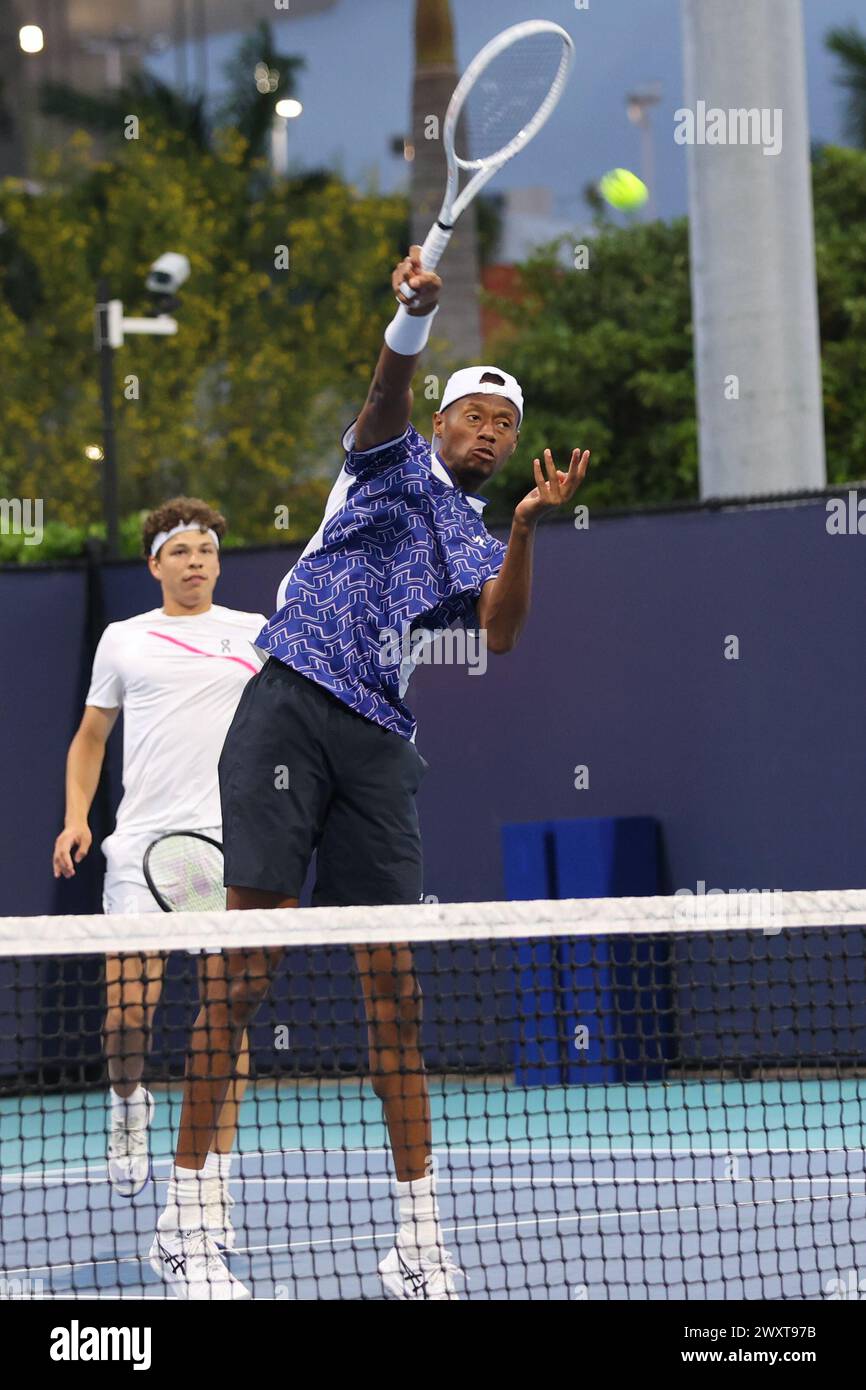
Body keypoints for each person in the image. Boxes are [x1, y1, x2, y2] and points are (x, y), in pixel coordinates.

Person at [153, 246, 590, 1300]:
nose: (491, 433)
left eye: (506, 425)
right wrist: (409, 323)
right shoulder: (383, 457)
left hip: (376, 740)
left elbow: (499, 635)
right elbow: (385, 386)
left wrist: (527, 530)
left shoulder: (474, 534)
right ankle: (189, 1216)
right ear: (441, 421)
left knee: (394, 993)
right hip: (287, 704)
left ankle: (416, 1236)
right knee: (243, 973)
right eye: (476, 415)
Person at [53, 499, 266, 1298]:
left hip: (226, 849)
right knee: (127, 1015)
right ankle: (128, 1098)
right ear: (154, 564)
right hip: (140, 848)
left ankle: (211, 1184)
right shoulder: (124, 638)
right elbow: (89, 740)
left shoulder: (254, 631)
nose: (195, 560)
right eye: (179, 549)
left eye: (206, 548)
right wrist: (77, 819)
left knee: (228, 1012)